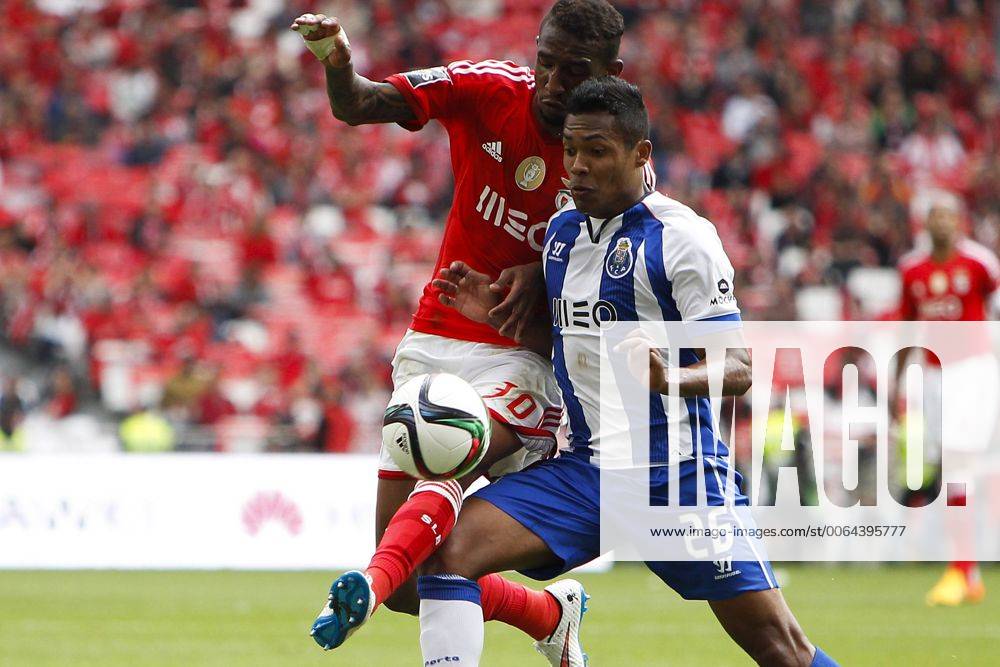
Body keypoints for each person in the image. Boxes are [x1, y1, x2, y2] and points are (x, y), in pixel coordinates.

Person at [424, 77, 838, 667]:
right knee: (447, 553)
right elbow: (573, 344)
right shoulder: (562, 235)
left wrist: (669, 377)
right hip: (587, 473)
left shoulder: (684, 238)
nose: (577, 166)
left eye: (597, 151)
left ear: (641, 153)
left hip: (678, 477)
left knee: (782, 650)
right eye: (570, 150)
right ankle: (550, 621)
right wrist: (500, 319)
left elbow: (738, 367)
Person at [291, 1, 653, 660]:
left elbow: (618, 287)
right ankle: (546, 614)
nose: (552, 83)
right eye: (545, 63)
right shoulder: (489, 90)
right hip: (436, 337)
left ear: (611, 73)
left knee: (447, 457)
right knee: (413, 582)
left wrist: (543, 277)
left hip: (522, 359)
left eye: (574, 72)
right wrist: (337, 61)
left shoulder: (617, 167)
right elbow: (359, 104)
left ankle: (368, 585)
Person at [895, 194, 1000, 606]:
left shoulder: (979, 264)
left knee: (959, 464)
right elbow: (907, 328)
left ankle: (960, 569)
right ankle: (968, 573)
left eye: (948, 216)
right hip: (933, 374)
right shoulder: (912, 270)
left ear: (959, 222)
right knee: (954, 469)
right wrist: (896, 382)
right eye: (935, 216)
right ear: (925, 223)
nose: (942, 223)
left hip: (972, 370)